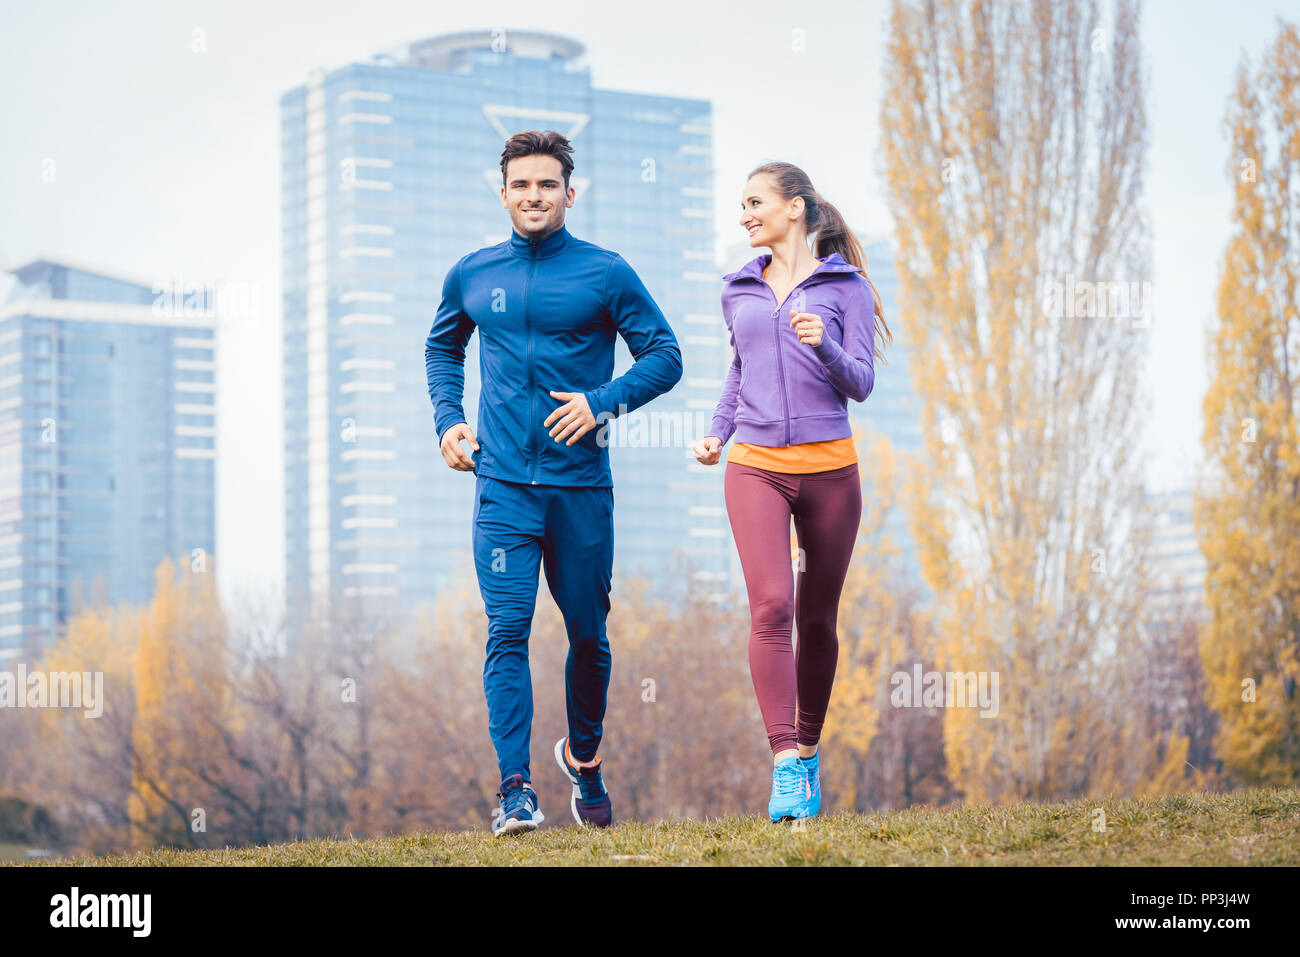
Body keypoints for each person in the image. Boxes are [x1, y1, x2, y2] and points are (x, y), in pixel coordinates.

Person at [426, 130, 683, 836]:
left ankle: (584, 756)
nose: (533, 196)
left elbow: (665, 355)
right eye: (521, 185)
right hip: (503, 487)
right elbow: (443, 347)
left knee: (589, 635)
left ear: (570, 193)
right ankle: (515, 791)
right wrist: (448, 420)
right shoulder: (472, 273)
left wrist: (603, 402)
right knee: (507, 629)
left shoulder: (606, 272)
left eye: (547, 185)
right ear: (502, 192)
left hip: (580, 491)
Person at [692, 161, 890, 822]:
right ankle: (783, 763)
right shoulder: (738, 289)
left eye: (756, 202)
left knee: (817, 617)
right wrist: (717, 432)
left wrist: (825, 344)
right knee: (772, 605)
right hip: (755, 465)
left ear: (795, 208)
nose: (745, 215)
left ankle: (807, 751)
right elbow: (739, 371)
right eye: (742, 204)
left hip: (831, 468)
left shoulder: (847, 287)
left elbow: (861, 382)